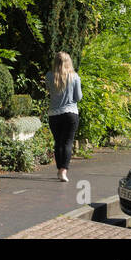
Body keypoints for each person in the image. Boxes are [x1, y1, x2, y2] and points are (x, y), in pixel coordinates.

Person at [46, 52, 82, 182]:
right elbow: (78, 97)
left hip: (54, 114)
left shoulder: (49, 76)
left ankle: (59, 169)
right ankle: (63, 171)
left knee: (58, 142)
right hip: (70, 113)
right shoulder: (74, 77)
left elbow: (49, 91)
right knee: (67, 142)